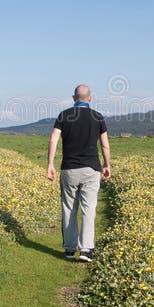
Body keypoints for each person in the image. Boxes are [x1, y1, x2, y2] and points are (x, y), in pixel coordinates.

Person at [46, 84, 111, 261]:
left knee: (69, 208)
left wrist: (50, 164)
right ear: (90, 98)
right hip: (91, 168)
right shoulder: (98, 117)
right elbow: (104, 144)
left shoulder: (64, 115)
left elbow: (53, 139)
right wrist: (107, 165)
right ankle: (86, 250)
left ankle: (69, 249)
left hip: (69, 169)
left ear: (74, 98)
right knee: (88, 209)